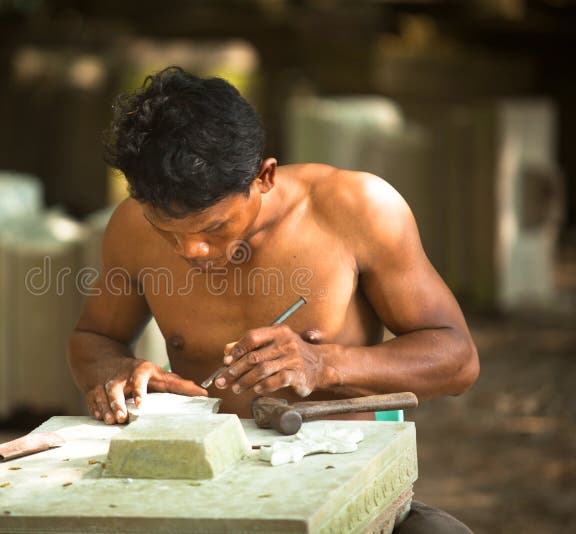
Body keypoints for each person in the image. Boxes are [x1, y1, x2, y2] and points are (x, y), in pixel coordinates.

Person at [68, 66, 479, 532]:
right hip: (199, 488)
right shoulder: (130, 227)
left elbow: (458, 361)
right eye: (167, 232)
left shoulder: (356, 209)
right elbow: (93, 338)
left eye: (214, 228)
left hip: (340, 479)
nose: (190, 252)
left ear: (264, 177)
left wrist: (323, 365)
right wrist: (111, 373)